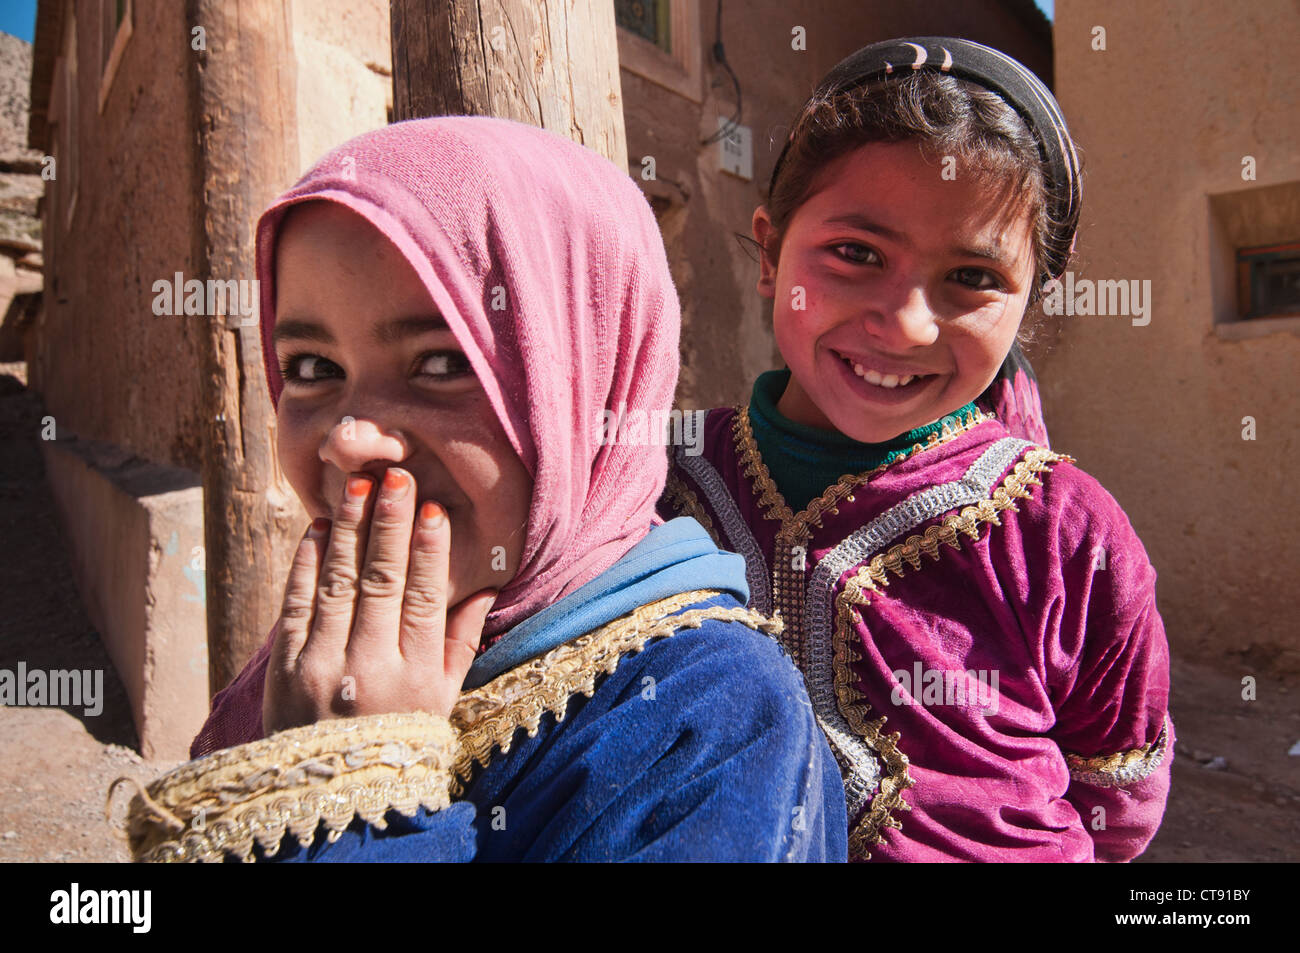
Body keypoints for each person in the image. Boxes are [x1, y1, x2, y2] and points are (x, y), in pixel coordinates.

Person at [120, 117, 847, 863]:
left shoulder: (716, 729)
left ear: (586, 380)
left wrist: (350, 783)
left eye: (439, 362)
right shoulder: (327, 663)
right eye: (311, 367)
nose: (349, 438)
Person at [658, 37, 1172, 862]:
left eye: (973, 278)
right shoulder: (663, 481)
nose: (904, 325)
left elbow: (1118, 804)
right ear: (768, 252)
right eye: (856, 254)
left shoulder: (1070, 535)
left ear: (1029, 303)